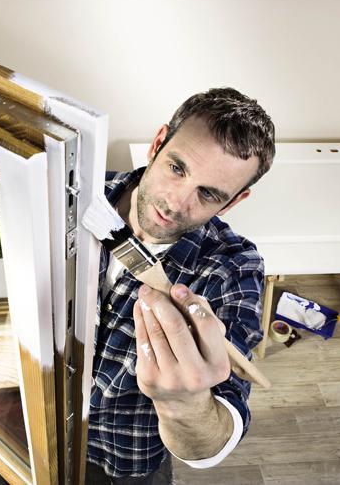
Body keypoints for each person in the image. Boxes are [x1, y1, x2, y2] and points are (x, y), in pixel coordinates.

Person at [86, 87, 275, 484]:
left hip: (127, 461)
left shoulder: (232, 268)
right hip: (30, 423)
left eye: (208, 194)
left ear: (233, 202)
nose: (176, 203)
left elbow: (217, 434)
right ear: (158, 144)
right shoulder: (80, 198)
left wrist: (184, 407)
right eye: (177, 168)